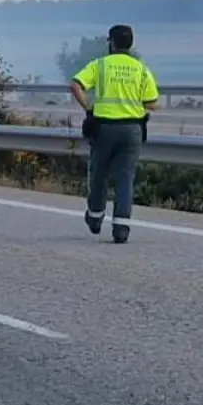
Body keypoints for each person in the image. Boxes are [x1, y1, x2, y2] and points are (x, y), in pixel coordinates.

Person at [70, 25, 160, 243]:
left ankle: (95, 216)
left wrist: (89, 108)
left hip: (104, 128)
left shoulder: (100, 65)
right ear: (131, 44)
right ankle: (121, 228)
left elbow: (75, 85)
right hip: (132, 130)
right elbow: (152, 103)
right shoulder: (141, 69)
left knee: (98, 173)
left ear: (111, 42)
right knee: (125, 178)